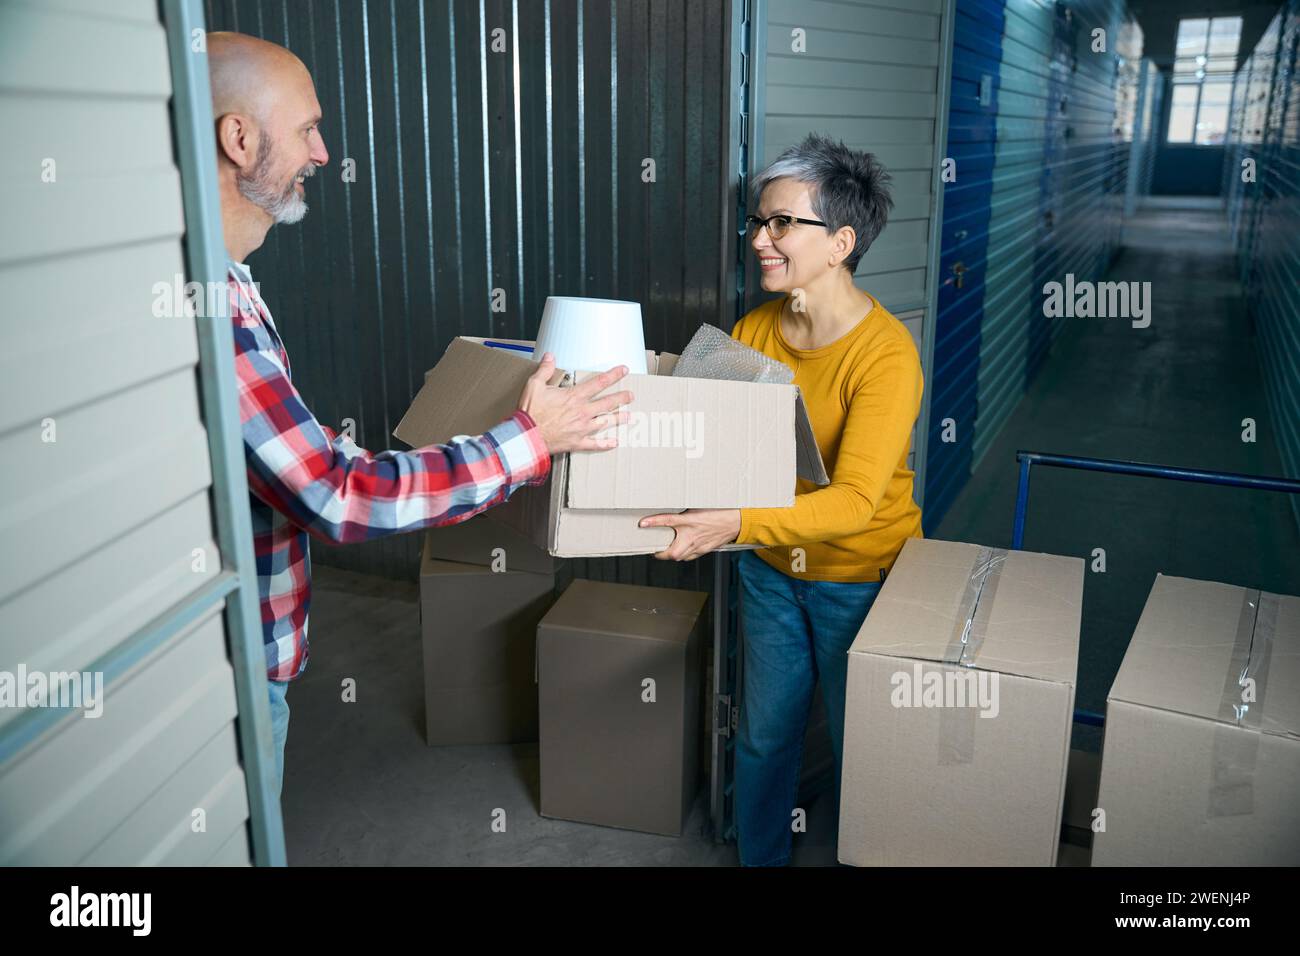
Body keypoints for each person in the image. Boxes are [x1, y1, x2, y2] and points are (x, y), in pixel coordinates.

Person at [206, 32, 631, 798]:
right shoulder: (210, 307)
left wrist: (315, 449)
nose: (324, 152)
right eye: (307, 127)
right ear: (239, 139)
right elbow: (340, 498)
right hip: (222, 677)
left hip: (245, 659)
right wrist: (531, 440)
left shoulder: (231, 283)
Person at [640, 133, 923, 865]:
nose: (759, 239)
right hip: (770, 569)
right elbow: (720, 449)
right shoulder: (752, 331)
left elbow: (858, 500)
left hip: (859, 579)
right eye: (757, 222)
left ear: (842, 242)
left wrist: (734, 522)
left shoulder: (886, 355)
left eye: (781, 223)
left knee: (868, 745)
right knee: (766, 735)